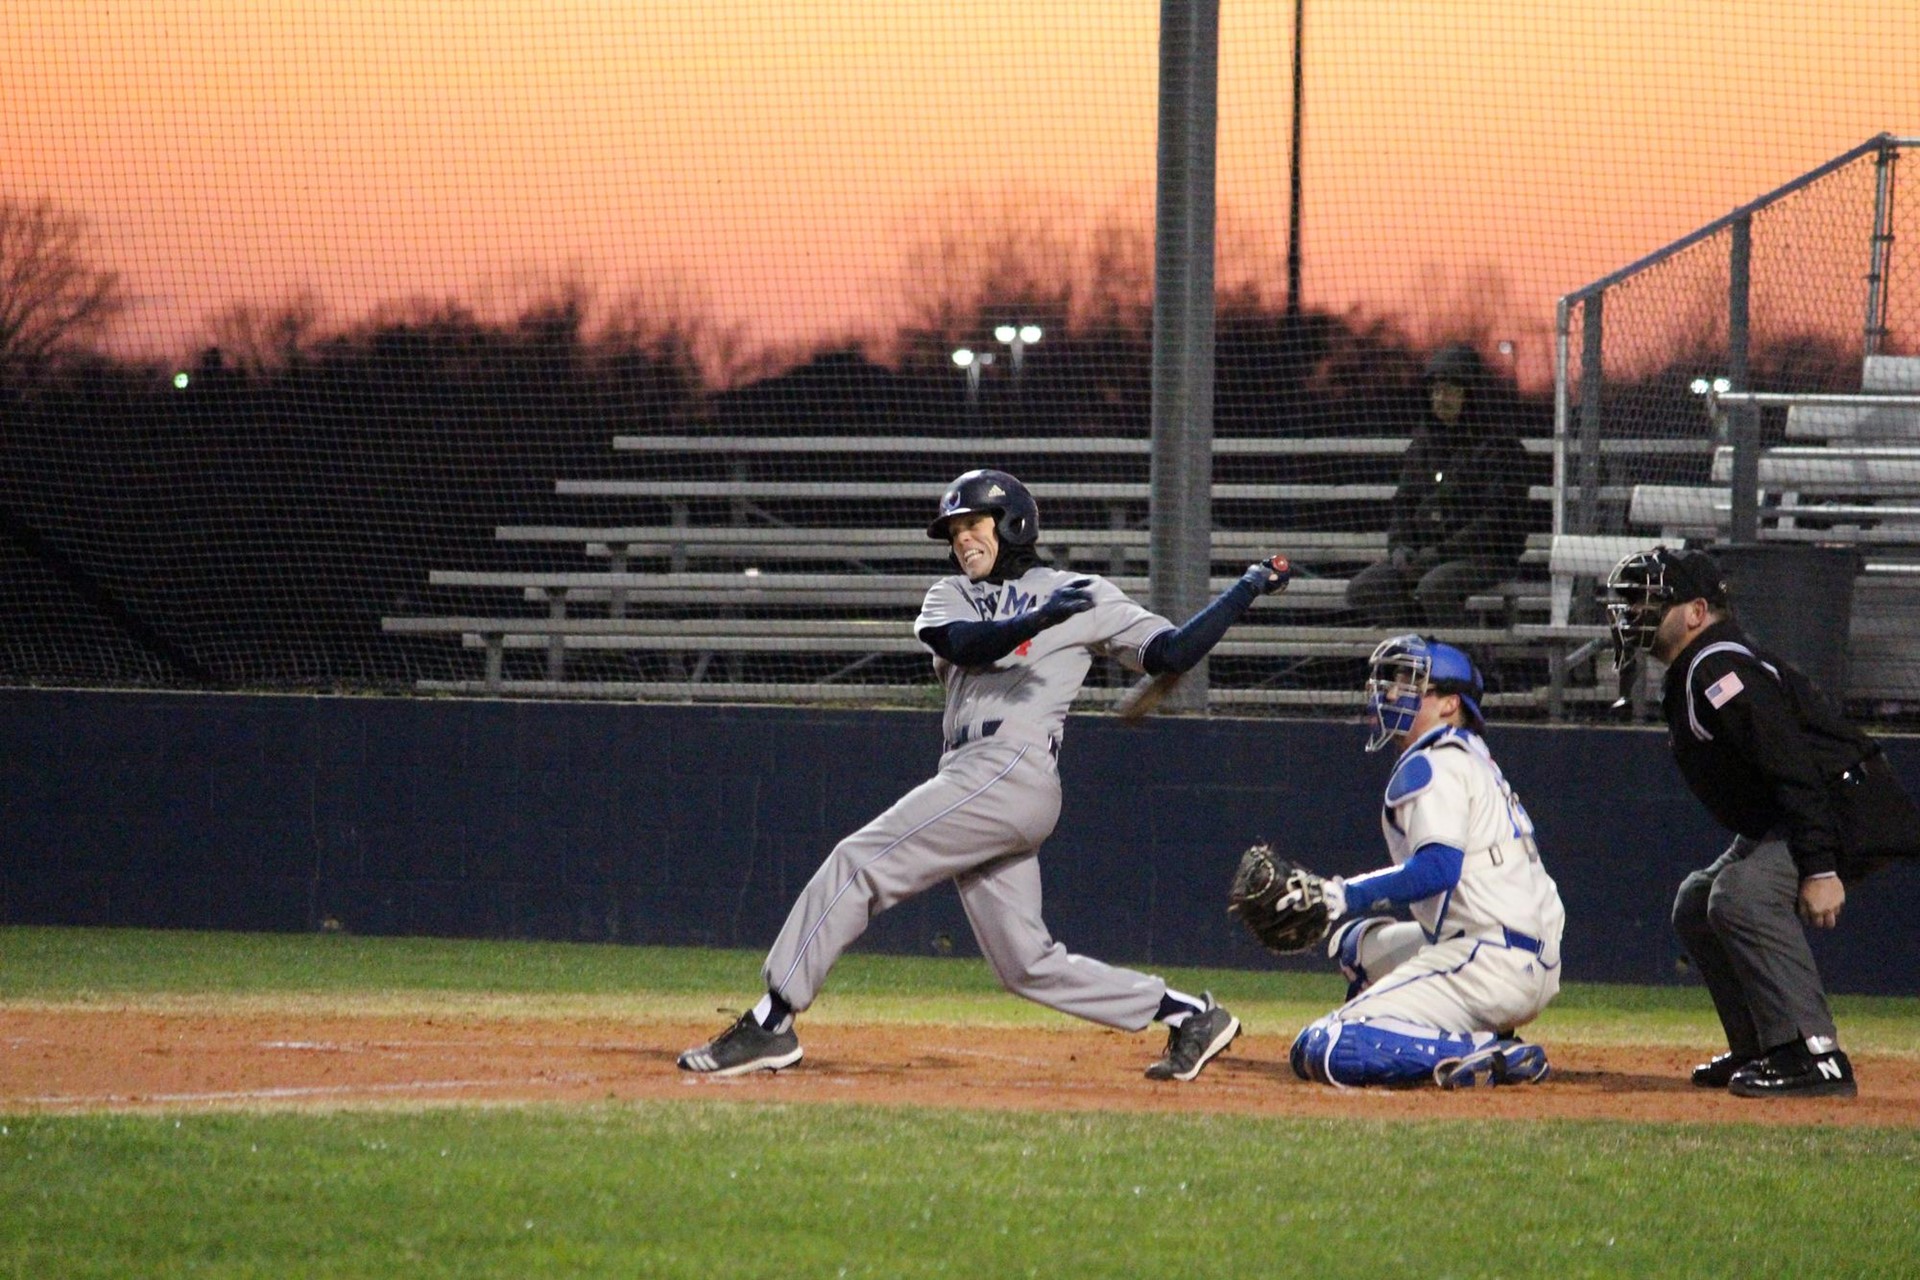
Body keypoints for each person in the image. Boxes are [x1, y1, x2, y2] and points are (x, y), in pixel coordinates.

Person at [679, 468, 1291, 1081]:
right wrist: (1036, 622)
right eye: (954, 531)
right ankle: (1190, 1015)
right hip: (969, 771)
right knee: (1025, 964)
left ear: (1013, 523)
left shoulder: (1082, 592)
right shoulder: (949, 595)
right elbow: (967, 644)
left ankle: (771, 1023)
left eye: (974, 524)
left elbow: (1172, 653)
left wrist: (1242, 590)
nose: (961, 539)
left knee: (858, 863)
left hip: (1012, 767)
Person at [1605, 546, 1917, 1098]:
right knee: (1698, 901)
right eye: (1631, 604)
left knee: (1741, 895)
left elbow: (1792, 765)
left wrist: (1820, 868)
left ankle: (1813, 1055)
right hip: (1810, 807)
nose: (1635, 616)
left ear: (1697, 611)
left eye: (1651, 602)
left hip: (1845, 805)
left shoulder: (1718, 667)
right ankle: (1763, 1046)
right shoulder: (1699, 667)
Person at [1287, 635, 1563, 1088]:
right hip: (1527, 956)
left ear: (1450, 704)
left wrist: (1341, 895)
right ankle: (1458, 1026)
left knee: (1326, 1046)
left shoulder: (1434, 763)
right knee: (1356, 947)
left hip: (1487, 961)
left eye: (1412, 683)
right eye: (1394, 681)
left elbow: (1438, 870)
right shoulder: (1473, 759)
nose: (1392, 693)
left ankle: (1488, 1052)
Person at [1345, 344, 1530, 629]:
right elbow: (1403, 504)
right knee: (1364, 588)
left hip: (1485, 556)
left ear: (1471, 394)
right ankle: (1419, 645)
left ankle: (1465, 665)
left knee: (1435, 587)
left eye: (1450, 390)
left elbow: (1497, 521)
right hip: (1427, 553)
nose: (1441, 399)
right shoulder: (1423, 446)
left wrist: (1441, 553)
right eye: (1435, 391)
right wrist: (1400, 546)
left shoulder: (1500, 447)